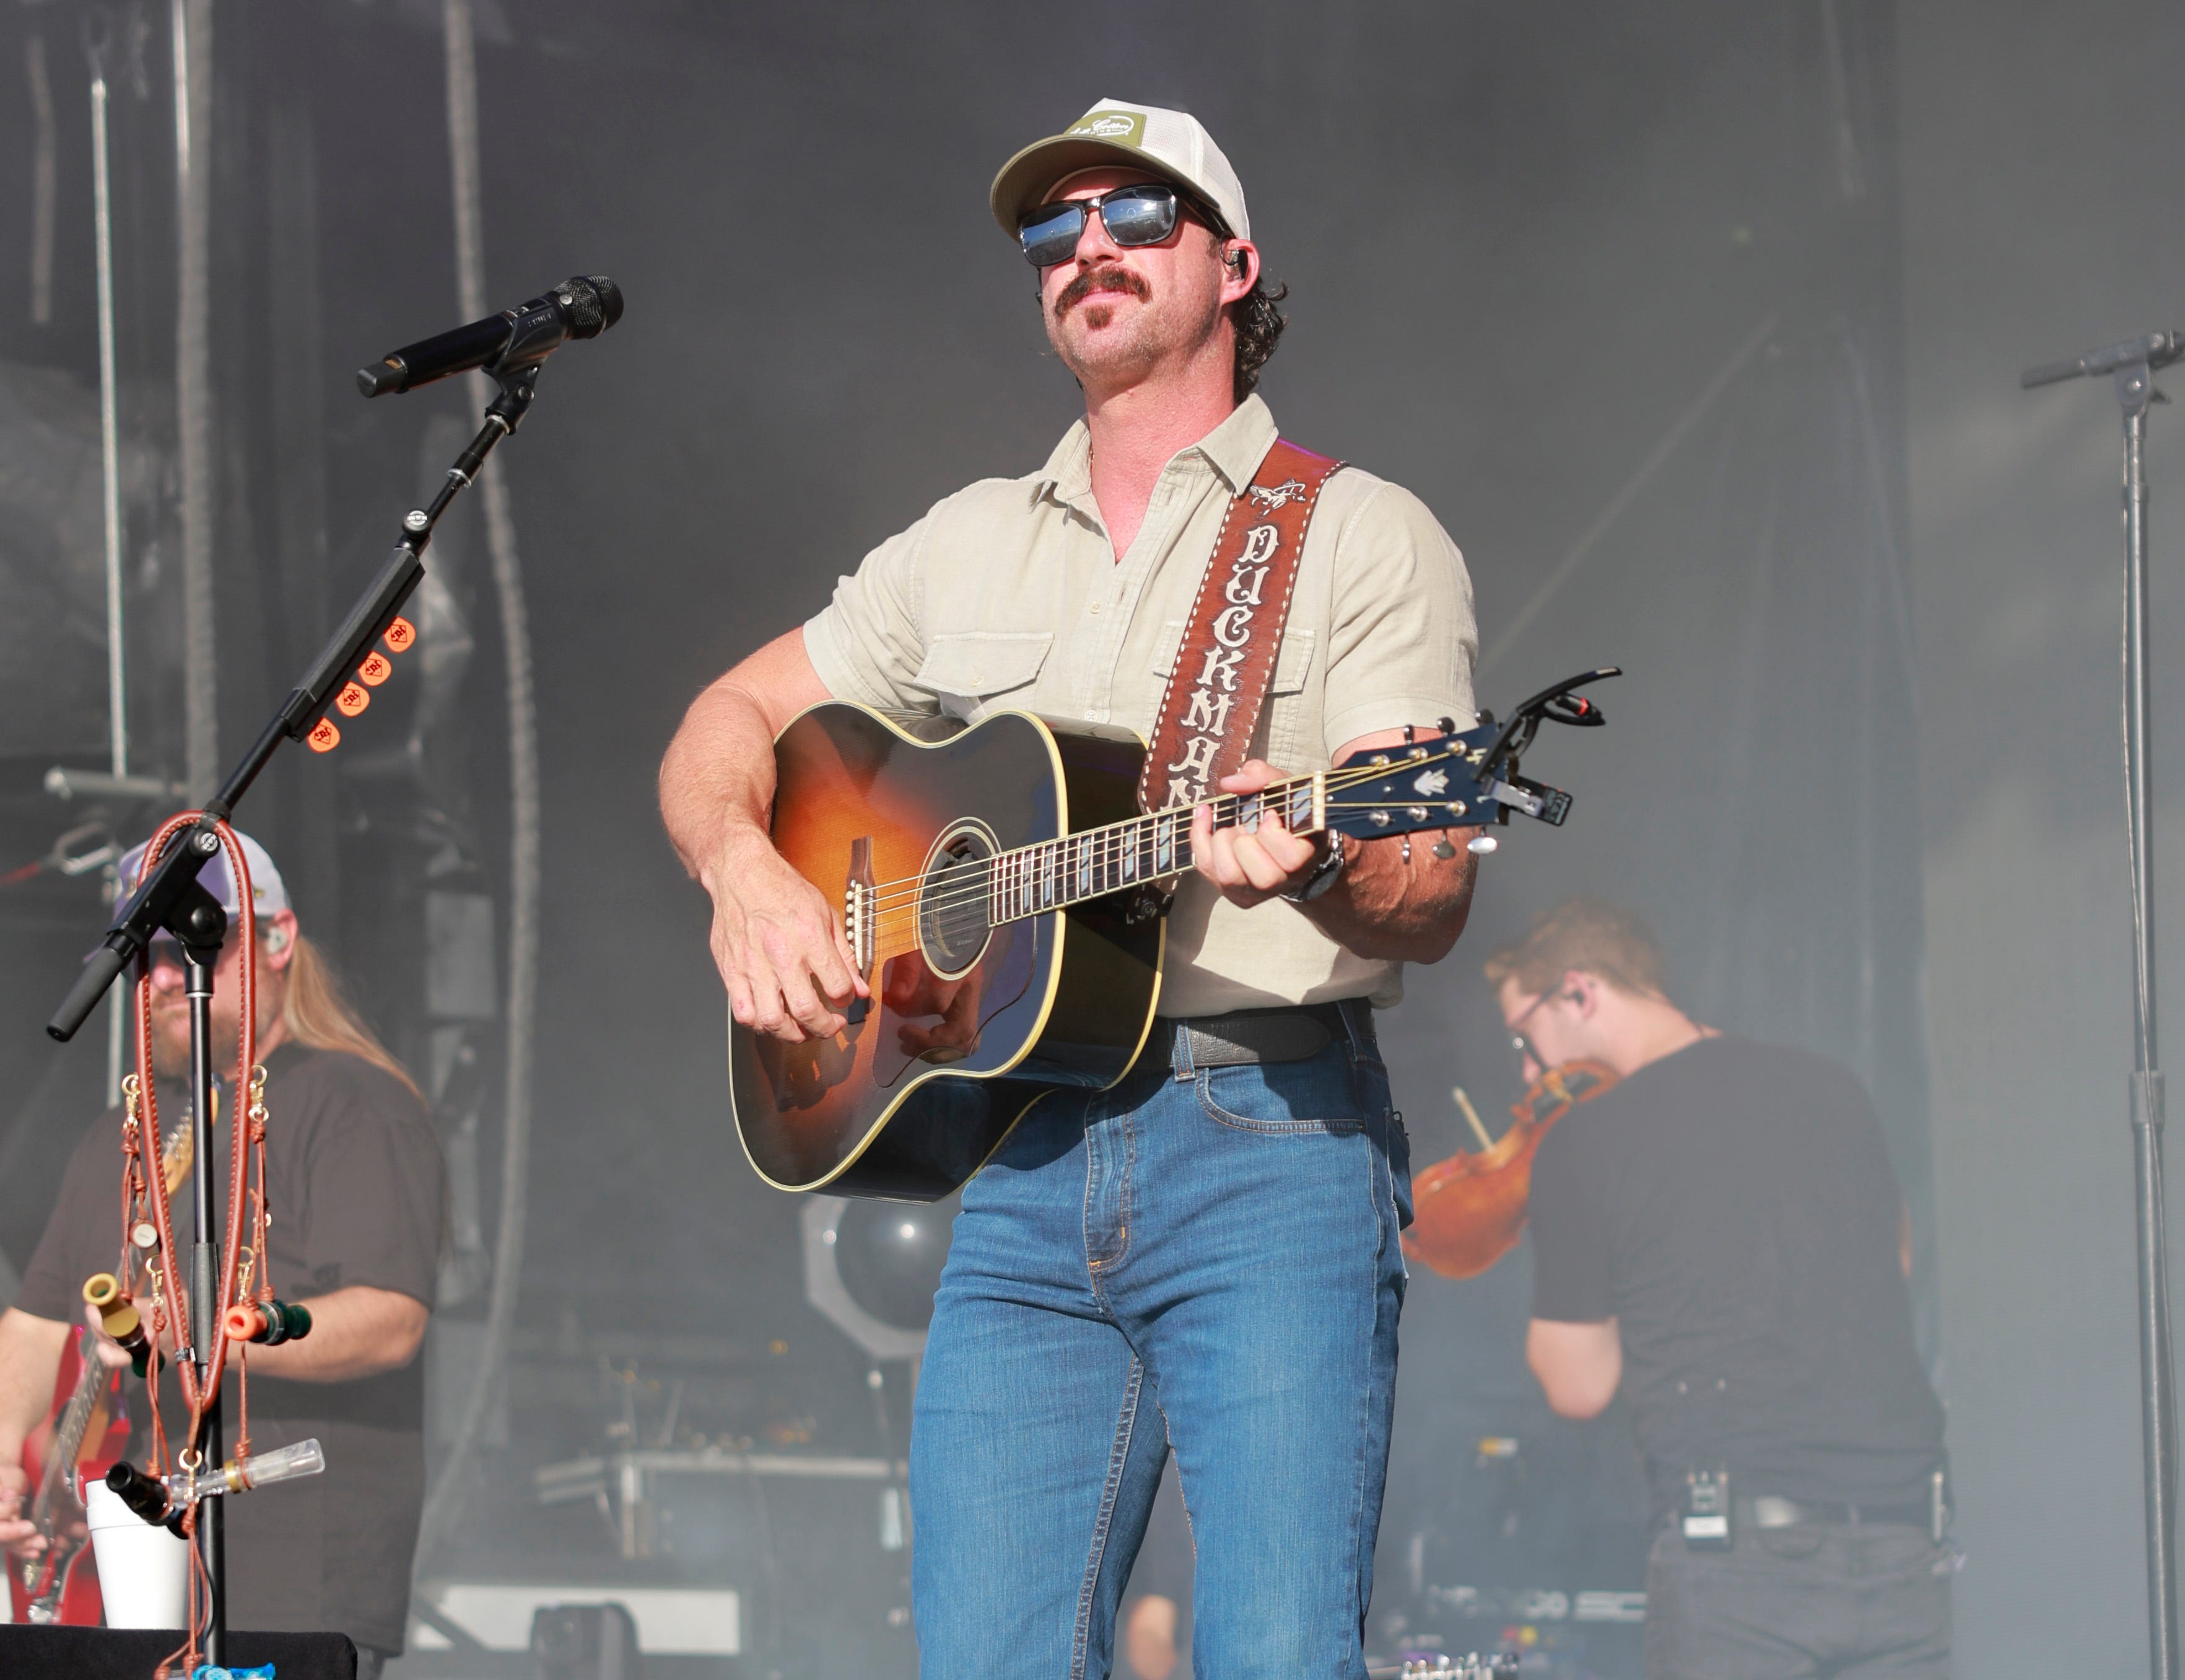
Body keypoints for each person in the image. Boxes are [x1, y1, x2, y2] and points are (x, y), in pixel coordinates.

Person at [660, 98, 1480, 1678]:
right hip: (1020, 1156)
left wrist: (1319, 865)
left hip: (1266, 1142)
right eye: (1054, 231)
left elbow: (1430, 886)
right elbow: (726, 722)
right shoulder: (960, 544)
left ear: (1235, 265)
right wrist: (745, 870)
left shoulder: (1355, 532)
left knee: (1272, 1654)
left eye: (1136, 216)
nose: (1087, 247)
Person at [0, 832, 446, 1679]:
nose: (163, 975)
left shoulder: (356, 1105)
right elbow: (31, 1323)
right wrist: (7, 1465)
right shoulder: (121, 1134)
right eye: (143, 952)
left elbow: (390, 1319)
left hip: (287, 1582)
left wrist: (202, 1337)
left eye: (189, 943)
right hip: (114, 1583)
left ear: (278, 939)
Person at [1489, 897, 1950, 1680]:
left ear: (1578, 991)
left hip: (1741, 1577)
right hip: (1909, 1549)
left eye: (1524, 1038)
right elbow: (1895, 1266)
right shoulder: (1833, 1087)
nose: (1529, 1071)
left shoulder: (1584, 1142)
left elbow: (1579, 1384)